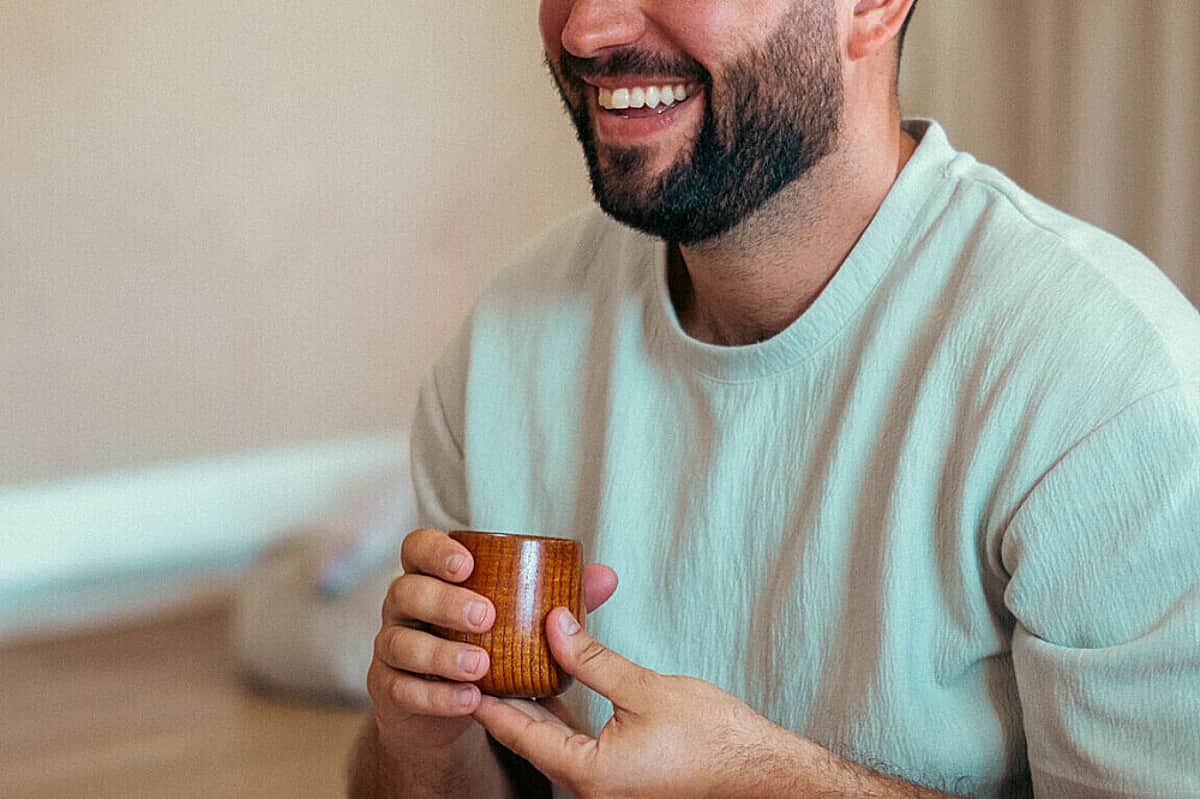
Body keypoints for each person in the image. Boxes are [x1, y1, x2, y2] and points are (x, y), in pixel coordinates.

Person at [349, 0, 1200, 796]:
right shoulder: (502, 346)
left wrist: (758, 778)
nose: (584, 28)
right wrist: (423, 753)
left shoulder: (1108, 386)